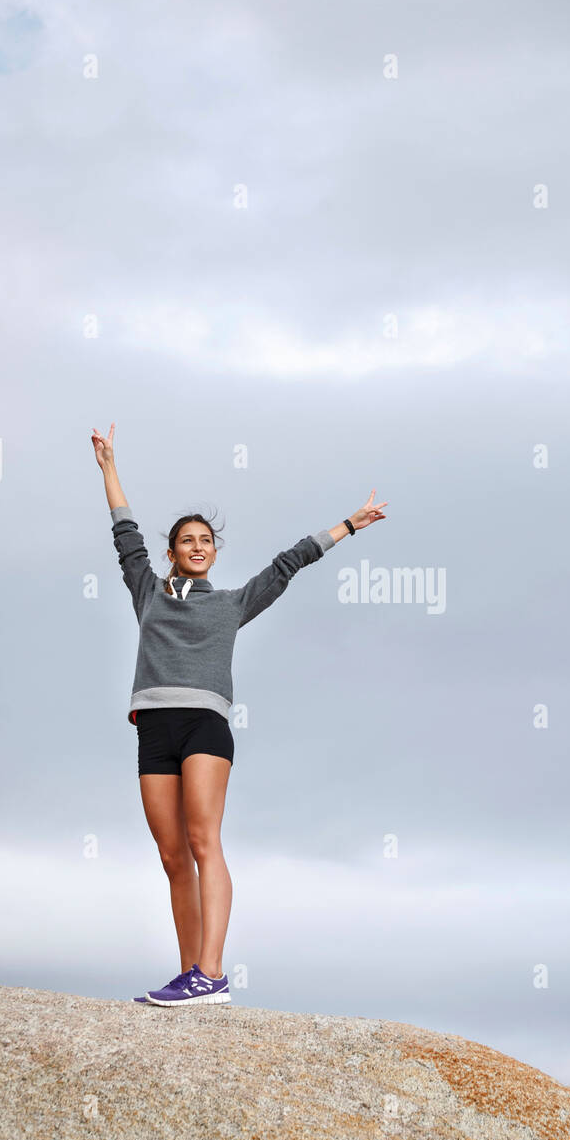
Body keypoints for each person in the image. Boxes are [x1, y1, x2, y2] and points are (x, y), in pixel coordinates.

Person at [90, 423, 387, 1006]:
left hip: (204, 726)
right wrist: (108, 467)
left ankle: (214, 974)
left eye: (206, 540)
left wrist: (350, 524)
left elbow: (288, 563)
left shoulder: (232, 604)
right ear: (173, 552)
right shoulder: (148, 591)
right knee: (172, 856)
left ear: (214, 551)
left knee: (203, 841)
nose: (198, 546)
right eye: (187, 541)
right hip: (153, 728)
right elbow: (125, 533)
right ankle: (187, 975)